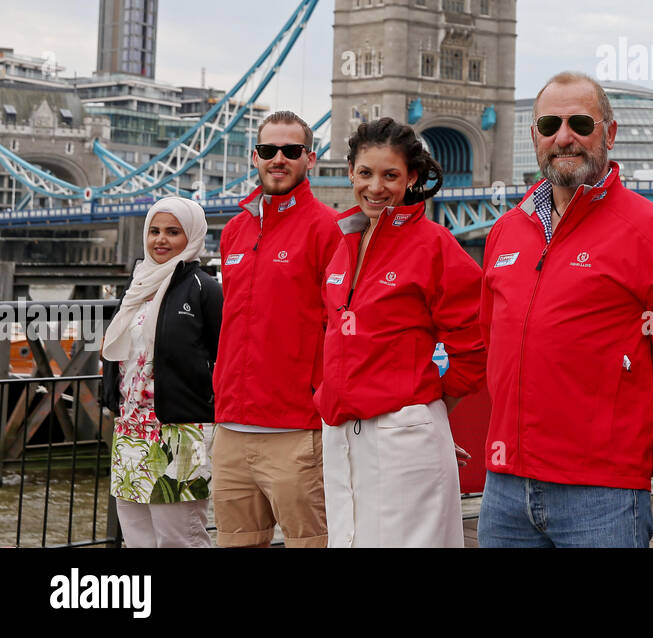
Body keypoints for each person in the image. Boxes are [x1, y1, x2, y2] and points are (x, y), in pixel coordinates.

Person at [478, 71, 653, 548]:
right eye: (549, 125)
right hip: (504, 488)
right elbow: (490, 342)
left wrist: (630, 462)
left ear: (610, 133)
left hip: (602, 494)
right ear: (534, 136)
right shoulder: (504, 233)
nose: (565, 138)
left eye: (581, 122)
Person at [315, 117, 486, 548]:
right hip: (341, 437)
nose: (376, 187)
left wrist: (430, 411)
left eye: (390, 175)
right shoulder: (343, 243)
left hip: (402, 436)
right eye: (366, 173)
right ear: (351, 172)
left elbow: (477, 342)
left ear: (411, 177)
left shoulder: (434, 245)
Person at [212, 110, 339, 548]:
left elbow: (339, 324)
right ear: (255, 157)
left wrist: (318, 402)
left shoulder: (329, 229)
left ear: (311, 158)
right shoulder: (233, 231)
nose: (278, 158)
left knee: (314, 542)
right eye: (269, 150)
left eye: (290, 150)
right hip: (230, 427)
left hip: (295, 429)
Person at [102, 197, 222, 548]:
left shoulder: (204, 289)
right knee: (137, 536)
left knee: (180, 538)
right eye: (154, 231)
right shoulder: (136, 286)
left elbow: (223, 358)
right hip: (130, 430)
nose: (160, 240)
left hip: (181, 431)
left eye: (173, 232)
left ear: (194, 236)